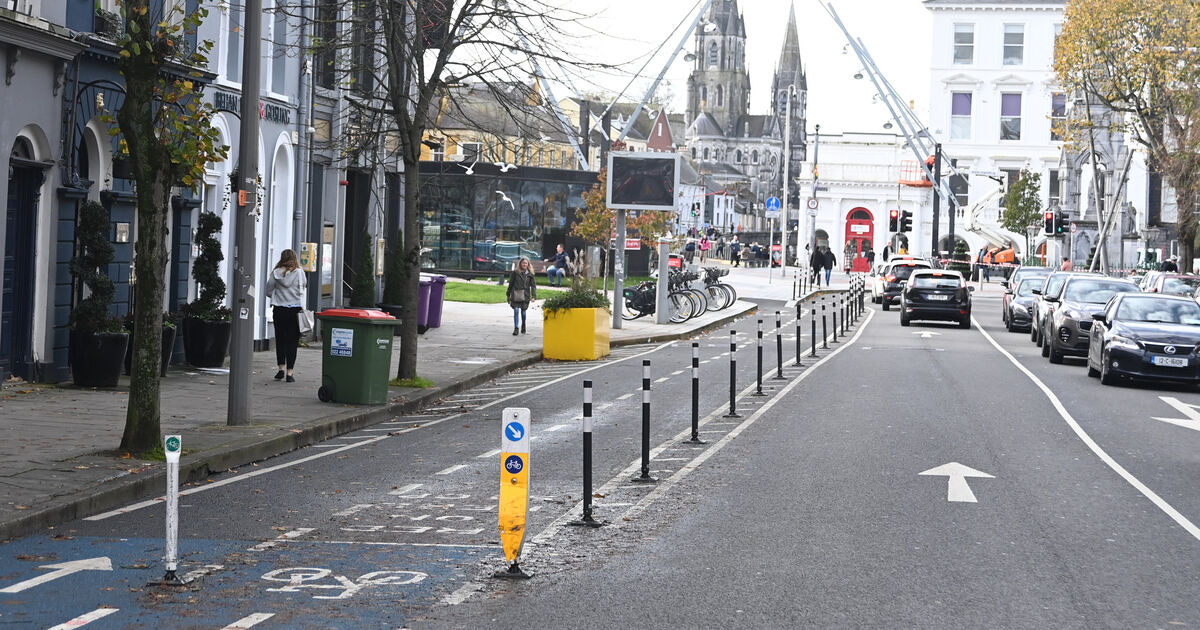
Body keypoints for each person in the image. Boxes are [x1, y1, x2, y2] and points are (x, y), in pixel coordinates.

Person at [265, 249, 307, 383]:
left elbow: (268, 290)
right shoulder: (300, 273)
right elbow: (303, 289)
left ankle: (280, 370)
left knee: (280, 340)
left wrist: (279, 297)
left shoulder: (275, 273)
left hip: (279, 310)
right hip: (295, 310)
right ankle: (290, 373)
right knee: (292, 342)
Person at [507, 257, 538, 335]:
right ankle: (516, 328)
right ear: (520, 264)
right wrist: (508, 294)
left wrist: (533, 296)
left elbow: (533, 286)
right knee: (516, 310)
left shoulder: (530, 274)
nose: (524, 264)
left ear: (528, 264)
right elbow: (511, 284)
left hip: (525, 295)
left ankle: (523, 324)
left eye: (526, 263)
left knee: (523, 312)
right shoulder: (515, 272)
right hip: (516, 294)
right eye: (523, 263)